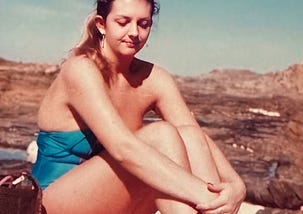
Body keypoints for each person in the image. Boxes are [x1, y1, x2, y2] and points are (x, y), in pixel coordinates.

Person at [31, 0, 246, 213]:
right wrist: (207, 196)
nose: (134, 32)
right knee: (161, 135)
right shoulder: (80, 69)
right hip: (51, 203)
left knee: (188, 134)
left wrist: (236, 186)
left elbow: (196, 137)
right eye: (123, 22)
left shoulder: (155, 78)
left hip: (109, 202)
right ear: (101, 24)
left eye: (143, 24)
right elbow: (123, 149)